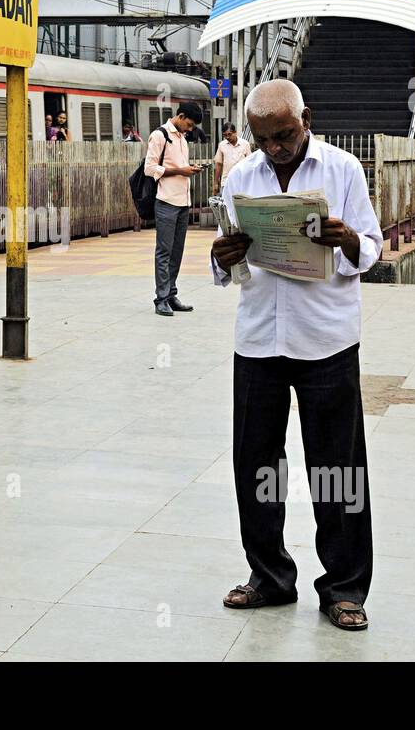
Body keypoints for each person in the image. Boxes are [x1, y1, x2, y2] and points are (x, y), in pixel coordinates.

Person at [210, 79, 382, 631]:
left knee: (338, 468)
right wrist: (223, 257)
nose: (276, 149)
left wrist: (346, 239)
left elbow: (373, 249)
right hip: (259, 338)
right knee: (256, 465)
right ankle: (269, 577)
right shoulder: (242, 176)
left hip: (326, 340)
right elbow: (228, 274)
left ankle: (344, 587)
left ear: (306, 117)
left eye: (284, 135)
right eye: (264, 140)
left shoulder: (343, 170)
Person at [144, 100, 205, 316]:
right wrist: (180, 171)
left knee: (177, 252)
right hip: (166, 201)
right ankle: (161, 298)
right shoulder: (160, 135)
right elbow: (149, 168)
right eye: (189, 125)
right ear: (179, 117)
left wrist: (188, 170)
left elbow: (178, 167)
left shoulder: (182, 138)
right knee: (164, 251)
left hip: (183, 202)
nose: (190, 129)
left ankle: (171, 294)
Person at [213, 122, 252, 190]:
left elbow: (250, 163)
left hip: (242, 181)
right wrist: (216, 183)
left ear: (235, 132)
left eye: (229, 134)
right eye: (225, 135)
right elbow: (218, 164)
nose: (227, 137)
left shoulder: (245, 144)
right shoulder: (222, 145)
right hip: (226, 182)